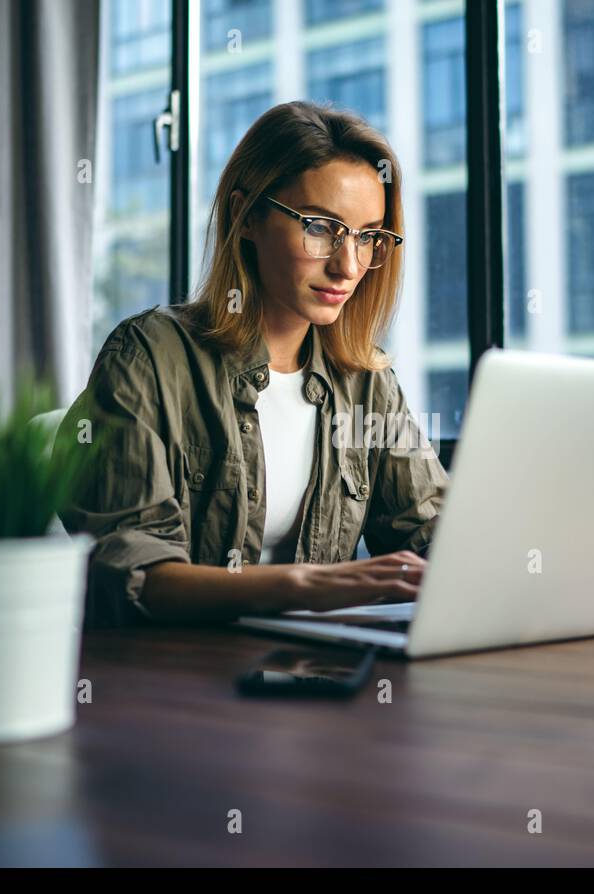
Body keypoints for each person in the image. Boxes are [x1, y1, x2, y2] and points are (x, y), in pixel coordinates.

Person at [60, 101, 448, 627]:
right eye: (320, 228)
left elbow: (431, 536)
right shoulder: (149, 357)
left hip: (314, 674)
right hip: (179, 681)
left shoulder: (367, 383)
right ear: (246, 216)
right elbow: (135, 573)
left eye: (367, 236)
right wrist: (302, 586)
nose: (348, 265)